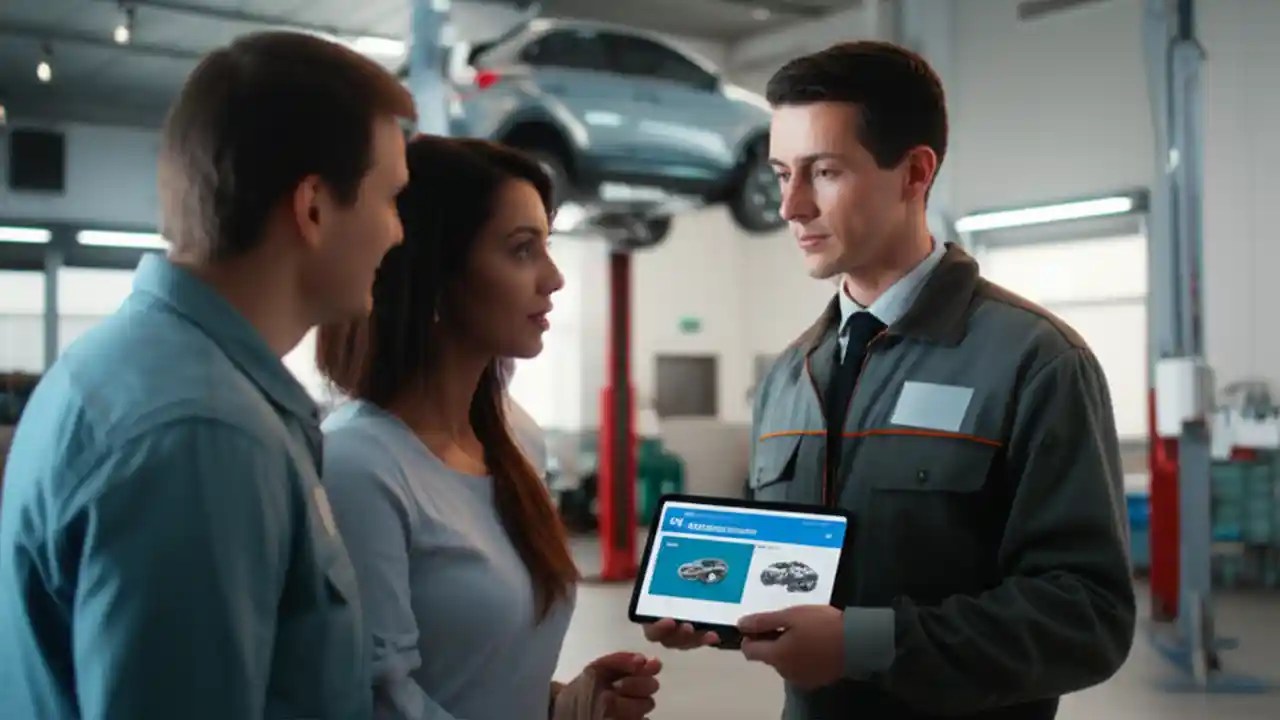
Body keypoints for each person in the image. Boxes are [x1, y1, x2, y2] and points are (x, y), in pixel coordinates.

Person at [644, 40, 1136, 719]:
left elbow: (1087, 618)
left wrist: (863, 643)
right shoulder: (792, 375)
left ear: (913, 173)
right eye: (782, 172)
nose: (790, 205)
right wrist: (718, 610)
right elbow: (796, 579)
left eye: (823, 172)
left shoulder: (1036, 362)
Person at [0, 31, 414, 719]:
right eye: (390, 197)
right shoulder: (204, 433)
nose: (398, 232)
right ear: (313, 206)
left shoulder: (123, 369)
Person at [314, 135, 661, 720]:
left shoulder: (516, 439)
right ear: (434, 273)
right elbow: (377, 705)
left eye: (547, 248)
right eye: (522, 250)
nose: (553, 278)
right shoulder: (357, 465)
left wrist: (563, 705)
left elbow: (475, 682)